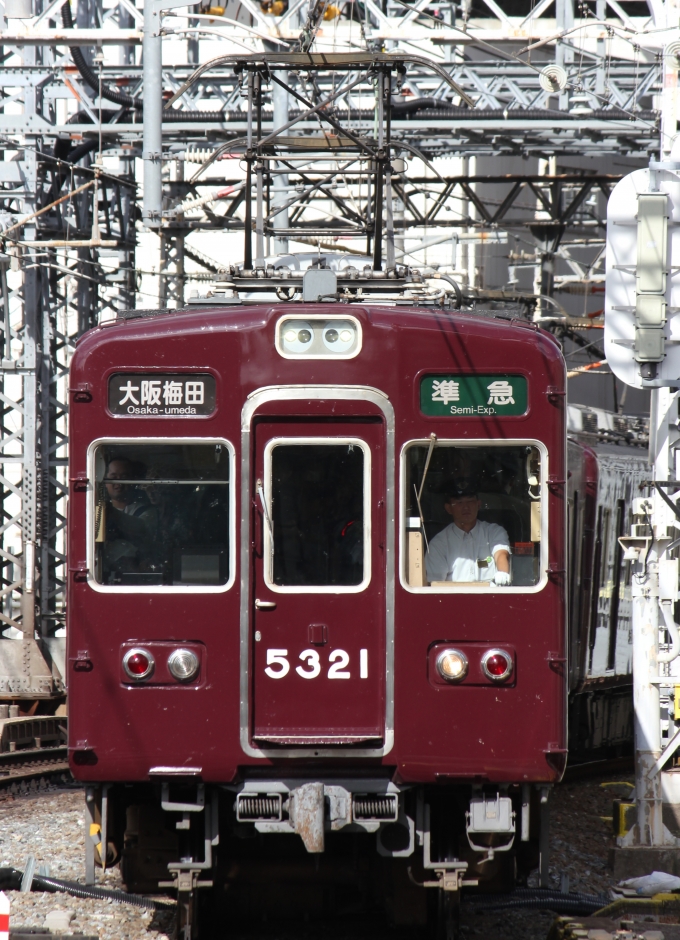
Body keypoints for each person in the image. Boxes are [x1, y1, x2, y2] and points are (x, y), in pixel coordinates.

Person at [425, 482, 511, 585]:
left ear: (478, 504)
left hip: (490, 597)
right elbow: (435, 584)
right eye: (459, 503)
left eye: (470, 501)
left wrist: (502, 573)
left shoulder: (493, 532)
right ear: (448, 508)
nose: (466, 507)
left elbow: (501, 554)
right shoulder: (438, 544)